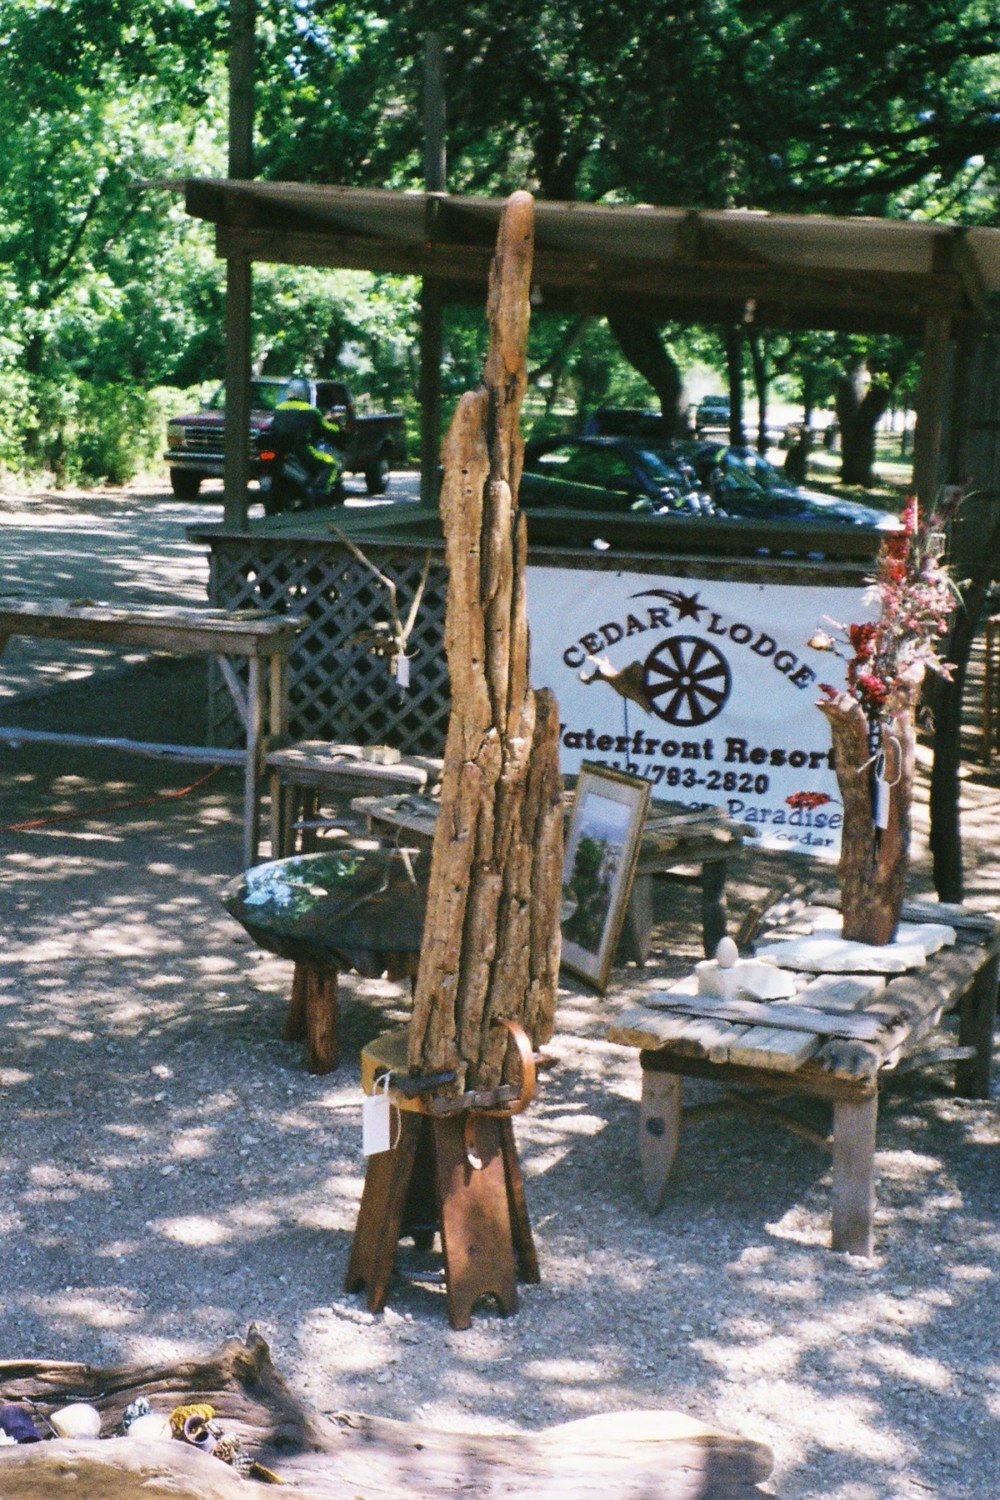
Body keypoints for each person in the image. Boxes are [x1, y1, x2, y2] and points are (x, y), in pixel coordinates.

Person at [267, 378, 344, 500]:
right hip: (302, 450)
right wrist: (339, 429)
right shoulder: (311, 411)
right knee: (331, 463)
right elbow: (325, 428)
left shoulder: (278, 409)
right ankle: (321, 493)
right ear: (305, 393)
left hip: (281, 450)